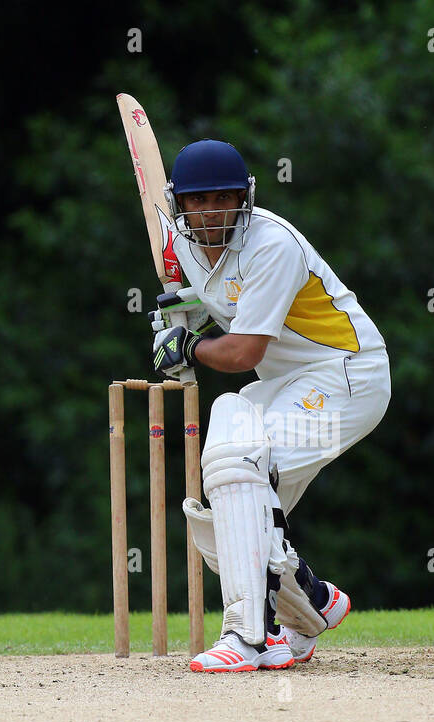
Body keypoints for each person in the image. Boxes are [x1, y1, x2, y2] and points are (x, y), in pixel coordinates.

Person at [151, 140, 390, 672]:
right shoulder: (183, 246)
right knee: (224, 506)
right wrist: (184, 317)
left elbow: (241, 351)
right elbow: (219, 309)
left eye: (223, 198)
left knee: (240, 470)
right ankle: (310, 609)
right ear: (180, 206)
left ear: (244, 198)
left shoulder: (270, 244)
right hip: (283, 382)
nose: (211, 210)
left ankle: (250, 638)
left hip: (345, 375)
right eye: (198, 200)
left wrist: (187, 348)